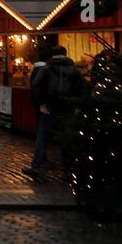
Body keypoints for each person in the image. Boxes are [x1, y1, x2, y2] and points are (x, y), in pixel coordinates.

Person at [24, 45, 86, 181]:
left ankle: (35, 167)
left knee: (42, 138)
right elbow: (83, 89)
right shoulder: (74, 71)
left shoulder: (46, 69)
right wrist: (75, 103)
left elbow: (35, 86)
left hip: (49, 108)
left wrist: (41, 104)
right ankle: (68, 171)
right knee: (67, 140)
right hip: (67, 108)